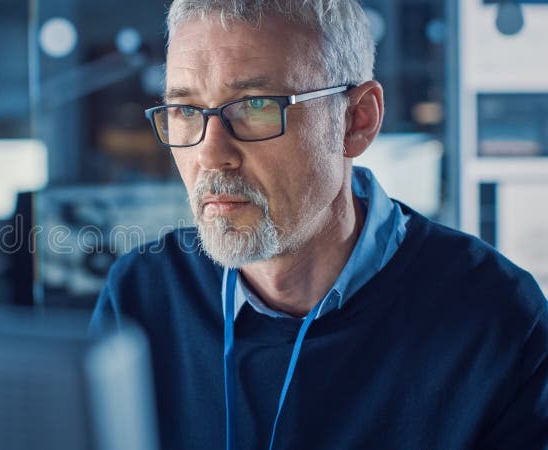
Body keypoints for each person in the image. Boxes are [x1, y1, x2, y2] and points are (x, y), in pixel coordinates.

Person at [90, 1, 548, 449]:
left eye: (256, 106)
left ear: (356, 121)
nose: (210, 156)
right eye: (186, 112)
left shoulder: (496, 318)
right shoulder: (142, 294)